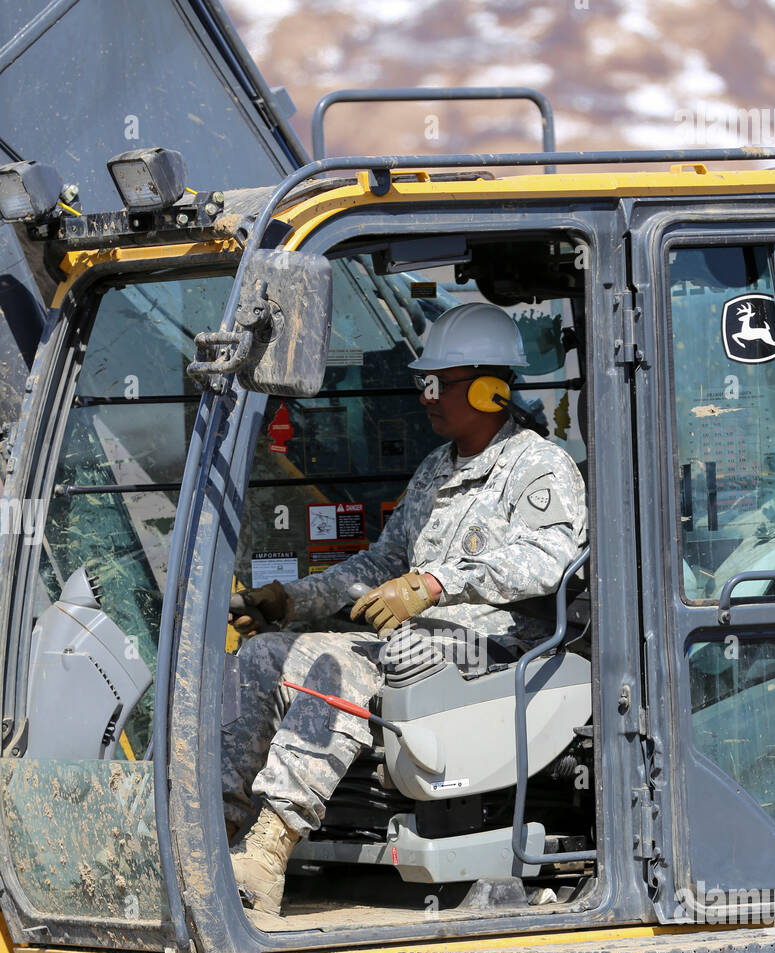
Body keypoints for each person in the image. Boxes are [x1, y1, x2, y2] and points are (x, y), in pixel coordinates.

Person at [223, 303, 587, 914]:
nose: (425, 397)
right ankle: (221, 821)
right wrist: (292, 600)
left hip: (495, 650)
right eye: (425, 383)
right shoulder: (435, 470)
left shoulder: (538, 467)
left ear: (491, 389)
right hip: (426, 641)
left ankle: (270, 844)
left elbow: (549, 559)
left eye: (437, 383)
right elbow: (380, 565)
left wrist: (434, 584)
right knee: (265, 654)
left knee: (337, 661)